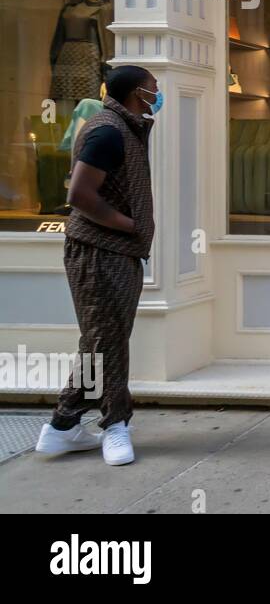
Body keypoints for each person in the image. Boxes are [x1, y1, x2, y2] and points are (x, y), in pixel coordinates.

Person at [35, 65, 160, 467]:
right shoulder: (108, 131)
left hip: (116, 251)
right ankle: (115, 425)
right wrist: (130, 225)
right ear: (136, 92)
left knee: (100, 342)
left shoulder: (125, 127)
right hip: (98, 251)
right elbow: (80, 193)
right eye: (154, 89)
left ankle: (62, 426)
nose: (158, 95)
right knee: (108, 343)